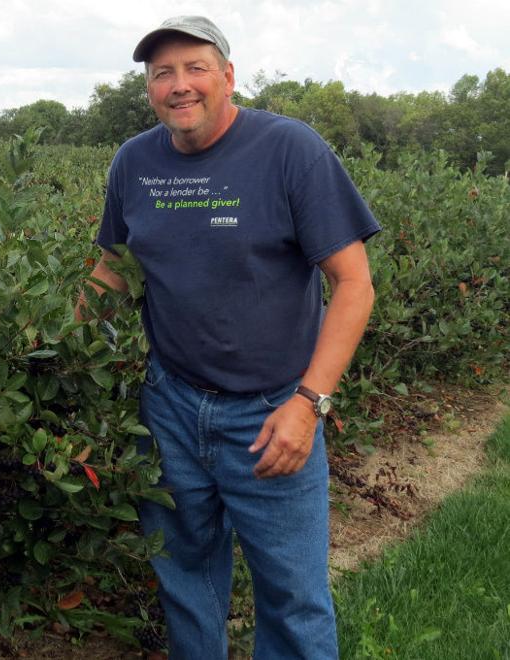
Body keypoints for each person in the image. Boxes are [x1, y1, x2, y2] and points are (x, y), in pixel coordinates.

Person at [77, 15, 380, 660]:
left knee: (292, 597)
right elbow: (112, 270)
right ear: (150, 89)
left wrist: (310, 403)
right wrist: (38, 345)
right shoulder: (133, 162)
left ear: (228, 77)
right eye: (163, 73)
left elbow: (354, 285)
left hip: (273, 412)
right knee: (184, 579)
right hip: (171, 407)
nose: (179, 85)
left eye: (196, 68)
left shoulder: (291, 150)